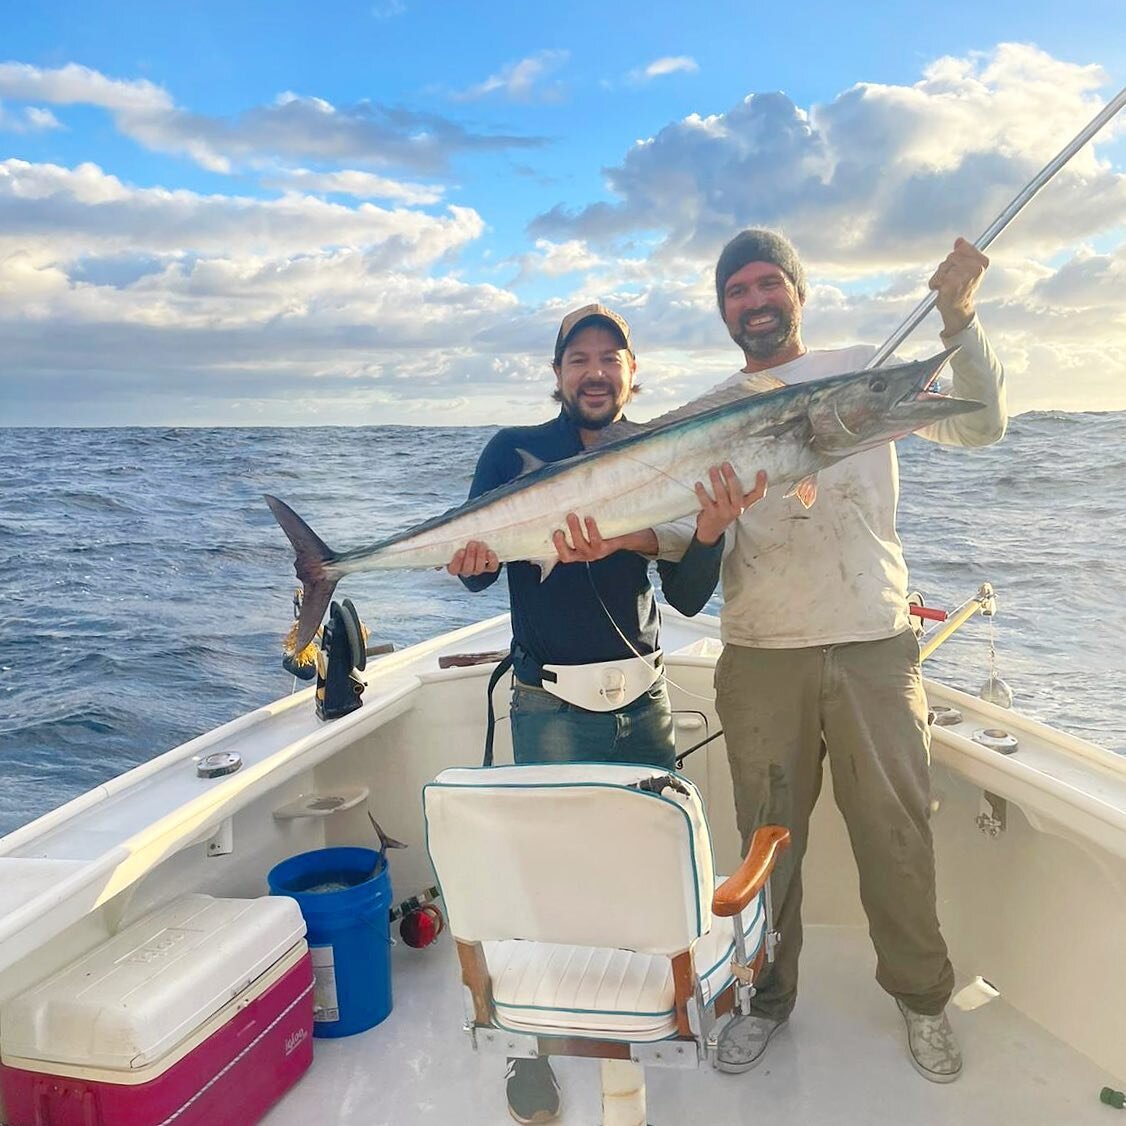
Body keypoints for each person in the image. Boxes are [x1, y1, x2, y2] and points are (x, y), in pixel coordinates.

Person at [448, 303, 764, 1124]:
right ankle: (534, 1047)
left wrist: (708, 531)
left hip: (644, 701)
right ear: (557, 376)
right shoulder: (514, 453)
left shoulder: (669, 453)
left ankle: (643, 1014)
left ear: (633, 373)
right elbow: (478, 573)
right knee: (547, 883)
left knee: (645, 876)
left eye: (609, 358)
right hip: (551, 701)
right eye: (577, 358)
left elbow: (689, 596)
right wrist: (477, 559)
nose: (594, 371)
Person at [708, 230, 1006, 1084]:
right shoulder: (712, 407)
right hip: (763, 651)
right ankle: (764, 998)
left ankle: (922, 1002)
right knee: (766, 846)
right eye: (738, 290)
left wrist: (959, 322)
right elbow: (672, 537)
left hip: (875, 643)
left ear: (799, 292)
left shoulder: (866, 371)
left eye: (770, 283)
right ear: (723, 308)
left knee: (897, 836)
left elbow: (981, 425)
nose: (756, 300)